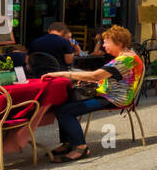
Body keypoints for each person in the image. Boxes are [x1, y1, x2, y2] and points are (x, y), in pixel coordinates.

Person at [45, 25, 144, 162]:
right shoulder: (128, 55)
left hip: (114, 98)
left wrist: (60, 74)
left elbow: (94, 76)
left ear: (119, 43)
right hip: (110, 94)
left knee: (65, 111)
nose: (103, 45)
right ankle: (69, 143)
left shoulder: (124, 60)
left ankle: (80, 148)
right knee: (64, 102)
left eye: (106, 42)